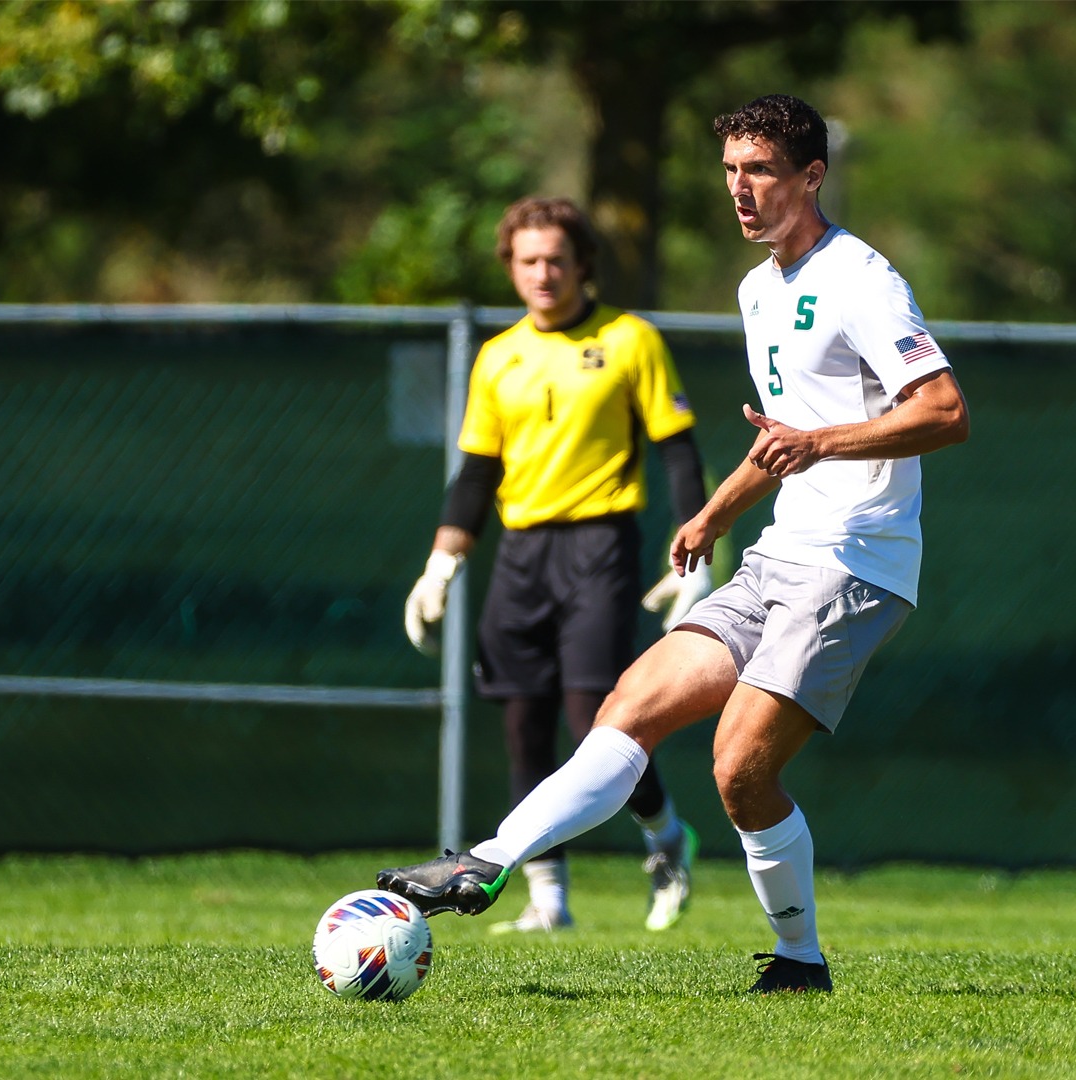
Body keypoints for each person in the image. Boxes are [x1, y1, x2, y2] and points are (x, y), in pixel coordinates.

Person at [379, 94, 970, 993]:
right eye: (731, 169)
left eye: (760, 170)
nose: (740, 188)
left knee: (739, 768)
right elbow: (786, 433)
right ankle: (489, 864)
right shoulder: (757, 287)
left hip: (856, 562)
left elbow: (943, 411)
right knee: (630, 703)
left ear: (811, 175)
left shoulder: (861, 279)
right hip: (781, 550)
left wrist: (818, 446)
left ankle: (800, 960)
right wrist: (720, 514)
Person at [400, 196, 713, 934]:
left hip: (600, 546)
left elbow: (678, 449)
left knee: (597, 719)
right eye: (528, 260)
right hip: (520, 555)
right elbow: (475, 473)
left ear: (583, 266)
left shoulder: (630, 339)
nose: (544, 273)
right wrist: (441, 564)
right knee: (524, 727)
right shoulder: (497, 355)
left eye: (557, 259)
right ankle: (549, 902)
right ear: (512, 267)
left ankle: (666, 840)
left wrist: (694, 551)